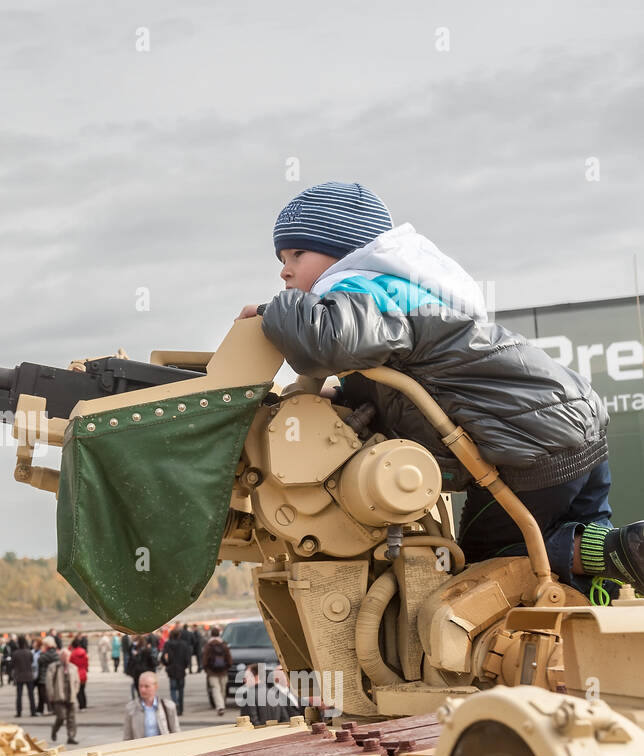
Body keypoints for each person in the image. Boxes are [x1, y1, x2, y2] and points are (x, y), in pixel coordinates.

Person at [241, 181, 624, 601]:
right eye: (281, 258)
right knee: (585, 547)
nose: (285, 270)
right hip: (569, 422)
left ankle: (615, 555)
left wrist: (271, 312)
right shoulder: (406, 294)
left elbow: (325, 341)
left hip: (532, 443)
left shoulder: (359, 287)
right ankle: (605, 585)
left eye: (298, 253)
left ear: (347, 250)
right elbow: (402, 385)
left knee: (490, 559)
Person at [123, 671, 181, 739]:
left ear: (155, 686)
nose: (143, 690)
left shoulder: (168, 706)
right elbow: (127, 737)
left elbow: (176, 732)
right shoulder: (131, 709)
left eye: (146, 686)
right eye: (140, 686)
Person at [43, 643, 79, 744]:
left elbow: (77, 682)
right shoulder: (54, 667)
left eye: (68, 656)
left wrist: (75, 692)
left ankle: (71, 736)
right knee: (61, 717)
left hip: (70, 696)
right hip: (59, 696)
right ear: (61, 657)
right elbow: (49, 682)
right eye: (64, 656)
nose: (66, 658)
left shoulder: (73, 668)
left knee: (71, 718)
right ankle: (54, 729)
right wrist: (51, 694)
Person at [159, 628, 191, 716]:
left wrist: (167, 664)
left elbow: (163, 657)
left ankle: (175, 704)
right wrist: (186, 665)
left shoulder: (167, 644)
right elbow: (187, 657)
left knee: (173, 689)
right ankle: (180, 708)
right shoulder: (184, 644)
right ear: (179, 635)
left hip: (171, 669)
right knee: (181, 690)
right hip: (181, 669)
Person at [202, 625, 232, 715]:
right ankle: (222, 704)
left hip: (212, 672)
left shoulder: (208, 646)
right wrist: (228, 667)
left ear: (211, 634)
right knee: (222, 689)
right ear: (219, 634)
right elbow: (229, 658)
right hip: (223, 671)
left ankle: (220, 707)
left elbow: (205, 659)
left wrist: (206, 669)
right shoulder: (224, 645)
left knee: (216, 689)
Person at [10, 636, 36, 718]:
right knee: (31, 695)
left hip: (19, 675)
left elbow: (13, 664)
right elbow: (32, 662)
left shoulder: (15, 653)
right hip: (28, 675)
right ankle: (33, 711)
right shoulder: (29, 652)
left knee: (19, 695)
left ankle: (19, 711)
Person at [69, 637, 89, 710]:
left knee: (78, 691)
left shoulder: (73, 654)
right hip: (83, 673)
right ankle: (84, 704)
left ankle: (81, 705)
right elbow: (86, 663)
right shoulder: (83, 651)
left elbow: (70, 664)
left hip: (76, 673)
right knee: (83, 690)